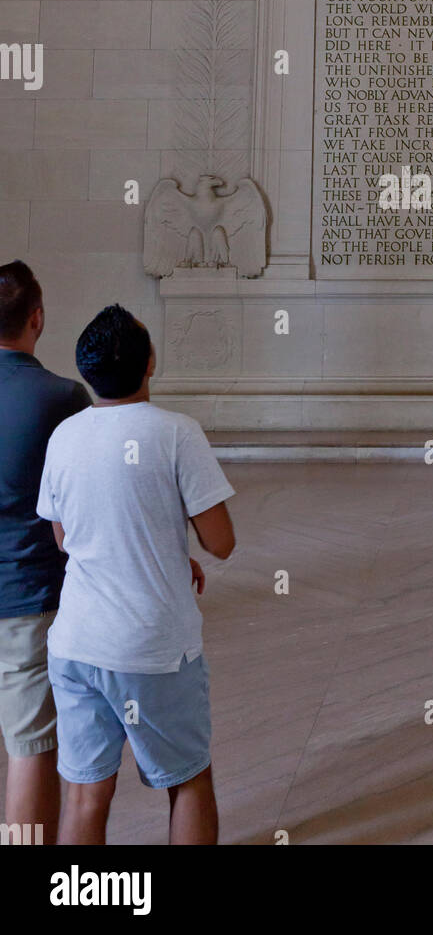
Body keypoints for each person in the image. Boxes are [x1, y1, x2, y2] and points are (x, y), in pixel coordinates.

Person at [37, 304, 236, 845]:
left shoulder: (65, 436)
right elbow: (222, 543)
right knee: (188, 781)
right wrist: (174, 547)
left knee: (83, 793)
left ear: (86, 368)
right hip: (152, 650)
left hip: (76, 645)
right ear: (151, 363)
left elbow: (67, 541)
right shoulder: (178, 432)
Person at [0, 260, 91, 844]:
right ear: (37, 318)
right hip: (26, 597)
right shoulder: (62, 398)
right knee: (30, 744)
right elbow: (91, 505)